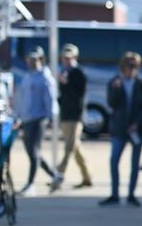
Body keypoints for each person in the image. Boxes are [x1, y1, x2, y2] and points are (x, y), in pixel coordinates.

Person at [102, 51, 142, 207]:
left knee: (135, 163)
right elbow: (112, 104)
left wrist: (137, 123)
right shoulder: (114, 82)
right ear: (123, 66)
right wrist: (116, 90)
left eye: (135, 66)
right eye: (130, 66)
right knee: (114, 161)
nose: (132, 69)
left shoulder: (141, 85)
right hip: (119, 128)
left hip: (136, 129)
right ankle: (114, 194)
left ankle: (131, 194)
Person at [12, 47, 61, 195]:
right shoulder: (28, 77)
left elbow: (51, 99)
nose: (32, 62)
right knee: (33, 152)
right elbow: (22, 99)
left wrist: (51, 118)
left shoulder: (46, 78)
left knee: (34, 151)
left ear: (41, 60)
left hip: (39, 119)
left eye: (35, 59)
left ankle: (30, 184)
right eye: (30, 59)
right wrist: (18, 116)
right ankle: (55, 175)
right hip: (27, 119)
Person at [57, 43, 93, 188]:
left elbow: (79, 95)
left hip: (75, 117)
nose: (66, 61)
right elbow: (62, 95)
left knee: (69, 148)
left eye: (69, 58)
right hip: (65, 115)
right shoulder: (63, 73)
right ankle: (87, 177)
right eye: (64, 58)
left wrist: (67, 83)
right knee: (76, 148)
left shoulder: (79, 73)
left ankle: (58, 175)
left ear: (75, 58)